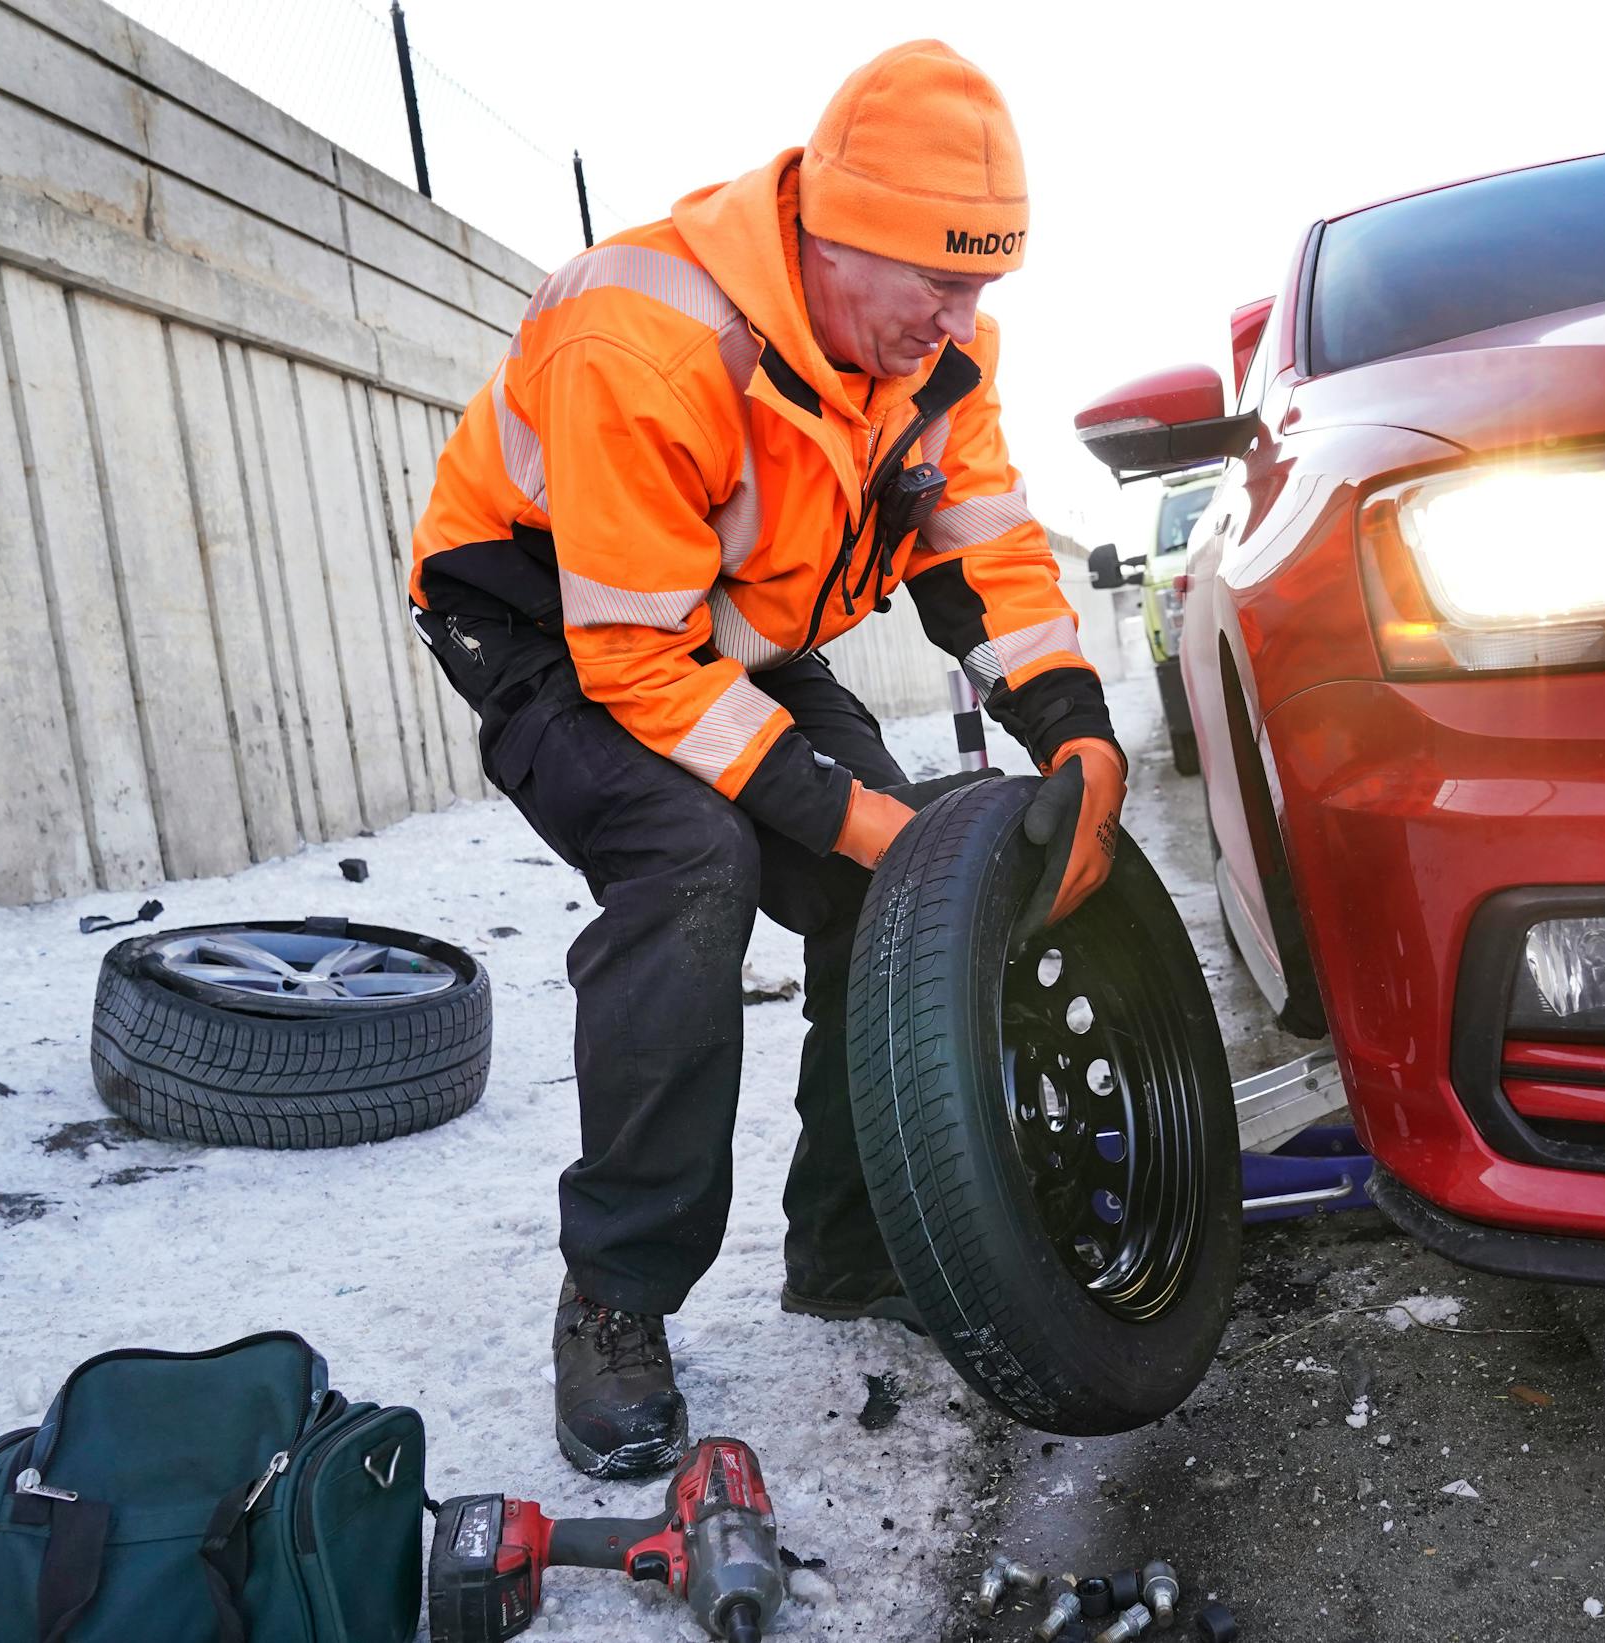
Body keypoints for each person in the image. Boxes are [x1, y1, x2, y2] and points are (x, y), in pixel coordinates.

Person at [407, 40, 1126, 1480]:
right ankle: (614, 1298)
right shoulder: (646, 335)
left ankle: (854, 1249)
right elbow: (630, 659)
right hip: (551, 626)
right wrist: (850, 816)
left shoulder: (937, 351)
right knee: (695, 860)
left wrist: (1077, 732)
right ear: (829, 231)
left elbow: (981, 556)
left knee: (889, 877)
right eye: (935, 279)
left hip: (725, 629)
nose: (960, 317)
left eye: (982, 283)